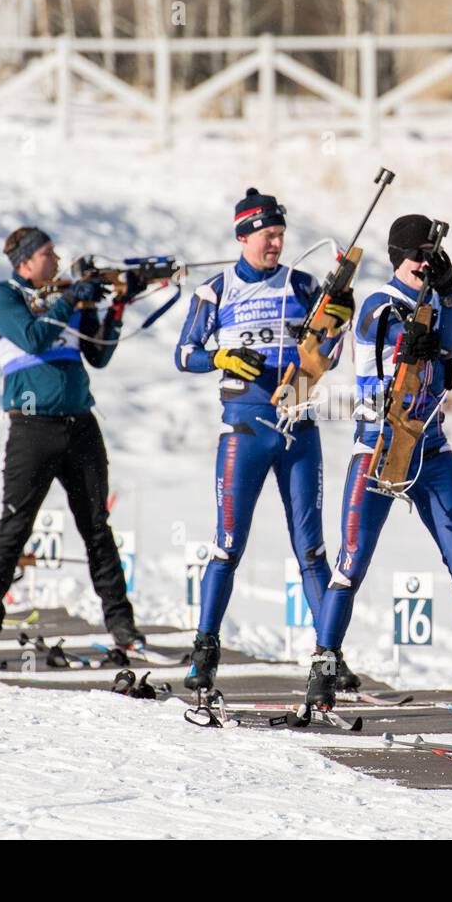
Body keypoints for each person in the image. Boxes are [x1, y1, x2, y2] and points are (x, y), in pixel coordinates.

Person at [305, 214, 452, 711]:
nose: (426, 264)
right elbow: (389, 351)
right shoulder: (379, 302)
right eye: (419, 256)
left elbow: (446, 376)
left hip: (430, 446)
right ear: (400, 257)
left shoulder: (439, 303)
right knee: (351, 563)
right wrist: (417, 337)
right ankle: (324, 666)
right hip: (378, 445)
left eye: (432, 256)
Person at [174, 188, 354, 693]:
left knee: (313, 549)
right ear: (243, 235)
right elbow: (184, 353)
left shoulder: (303, 284)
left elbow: (329, 355)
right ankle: (204, 652)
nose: (275, 244)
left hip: (297, 423)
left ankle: (328, 657)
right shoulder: (216, 289)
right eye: (267, 235)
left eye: (280, 235)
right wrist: (221, 358)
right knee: (229, 543)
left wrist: (336, 323)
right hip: (246, 428)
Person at [0, 227, 141, 669]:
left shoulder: (62, 295)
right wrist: (71, 299)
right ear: (25, 262)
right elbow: (33, 338)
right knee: (15, 527)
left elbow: (97, 355)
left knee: (97, 529)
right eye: (48, 253)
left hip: (80, 424)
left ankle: (124, 630)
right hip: (32, 428)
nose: (57, 259)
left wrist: (117, 304)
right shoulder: (2, 297)